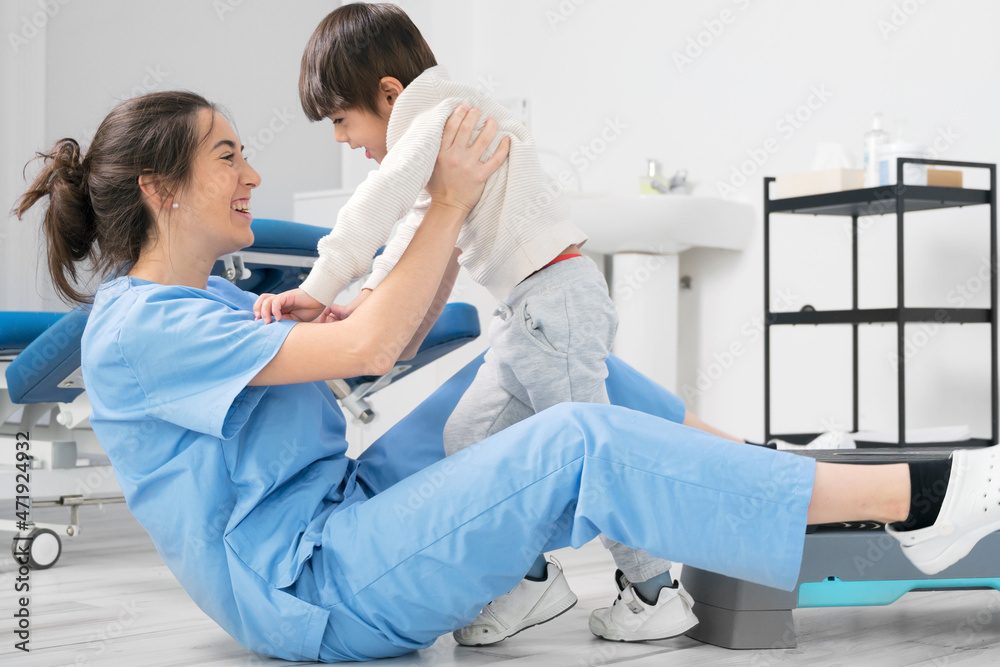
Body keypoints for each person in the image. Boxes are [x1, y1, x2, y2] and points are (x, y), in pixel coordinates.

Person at [16, 91, 1000, 664]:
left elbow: (383, 340)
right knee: (578, 438)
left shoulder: (215, 303)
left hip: (345, 509)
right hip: (316, 583)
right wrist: (442, 200)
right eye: (227, 155)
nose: (251, 176)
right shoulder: (139, 326)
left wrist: (466, 207)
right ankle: (918, 501)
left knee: (529, 358)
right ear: (159, 189)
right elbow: (368, 350)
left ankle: (761, 461)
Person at [252, 3, 707, 643]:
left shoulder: (441, 118)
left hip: (554, 302)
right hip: (525, 311)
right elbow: (419, 225)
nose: (341, 139)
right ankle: (531, 581)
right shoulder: (445, 127)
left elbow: (378, 206)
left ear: (388, 95)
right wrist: (366, 298)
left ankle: (655, 593)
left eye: (340, 119)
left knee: (594, 454)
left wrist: (319, 284)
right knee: (471, 439)